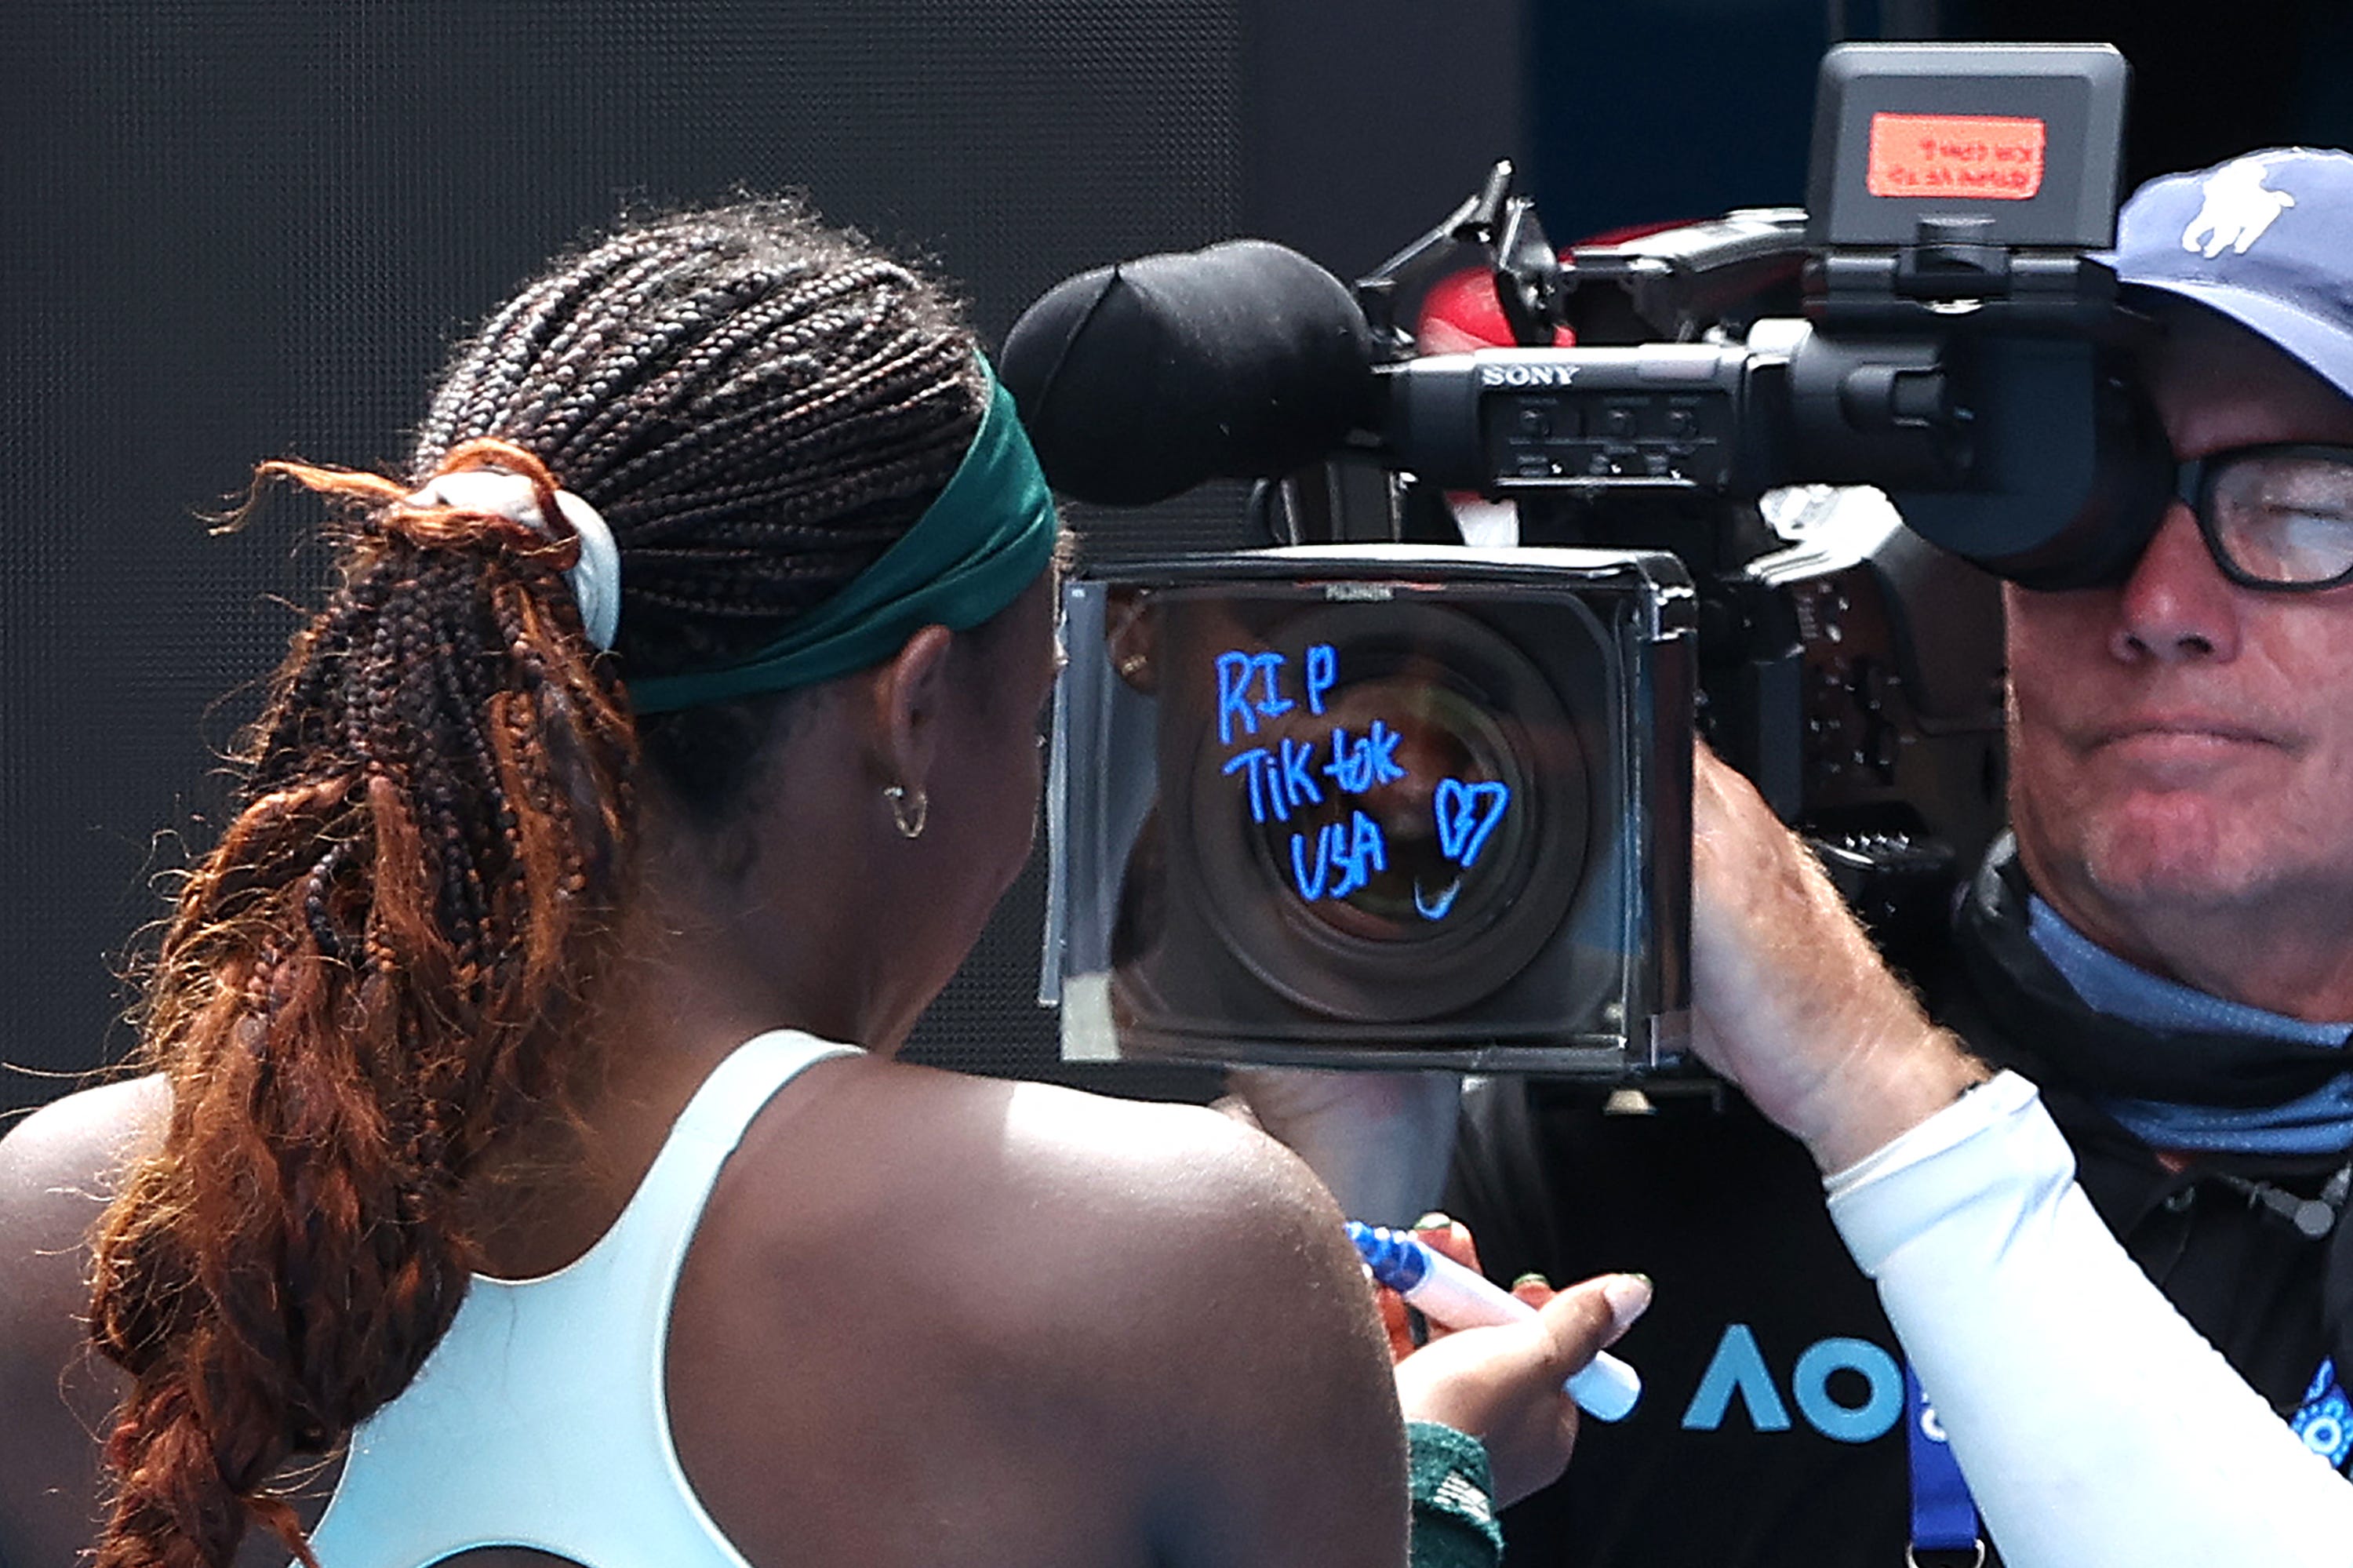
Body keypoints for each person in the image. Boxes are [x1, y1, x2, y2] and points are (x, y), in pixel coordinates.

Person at [0, 201, 1648, 1568]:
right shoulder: (1176, 1263)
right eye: (1049, 670)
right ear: (918, 708)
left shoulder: (63, 1221)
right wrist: (1421, 1476)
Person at [1433, 145, 2353, 1567]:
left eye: (2304, 507)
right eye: (2086, 501)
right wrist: (1343, 1173)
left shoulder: (1837, 1063)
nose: (2162, 603)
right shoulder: (1641, 1117)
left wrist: (1880, 1093)